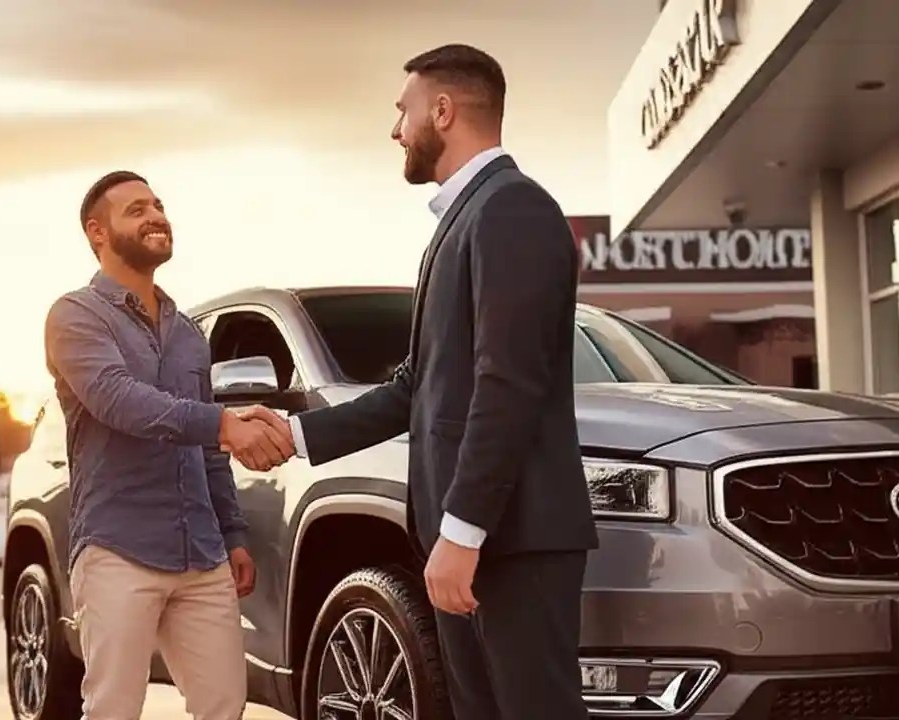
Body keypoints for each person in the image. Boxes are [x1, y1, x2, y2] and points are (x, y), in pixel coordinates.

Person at [283, 45, 598, 718]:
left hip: (512, 542)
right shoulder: (463, 222)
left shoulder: (511, 210)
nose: (395, 130)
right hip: (476, 542)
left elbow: (508, 384)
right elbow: (414, 387)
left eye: (404, 111)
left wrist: (464, 531)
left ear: (444, 111)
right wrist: (291, 434)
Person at [44, 170, 293, 720]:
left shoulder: (187, 333)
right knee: (113, 709)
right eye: (135, 209)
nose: (155, 215)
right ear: (97, 232)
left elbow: (207, 451)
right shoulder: (75, 315)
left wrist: (232, 533)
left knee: (224, 707)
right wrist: (223, 422)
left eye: (157, 204)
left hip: (201, 554)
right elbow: (118, 400)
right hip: (117, 549)